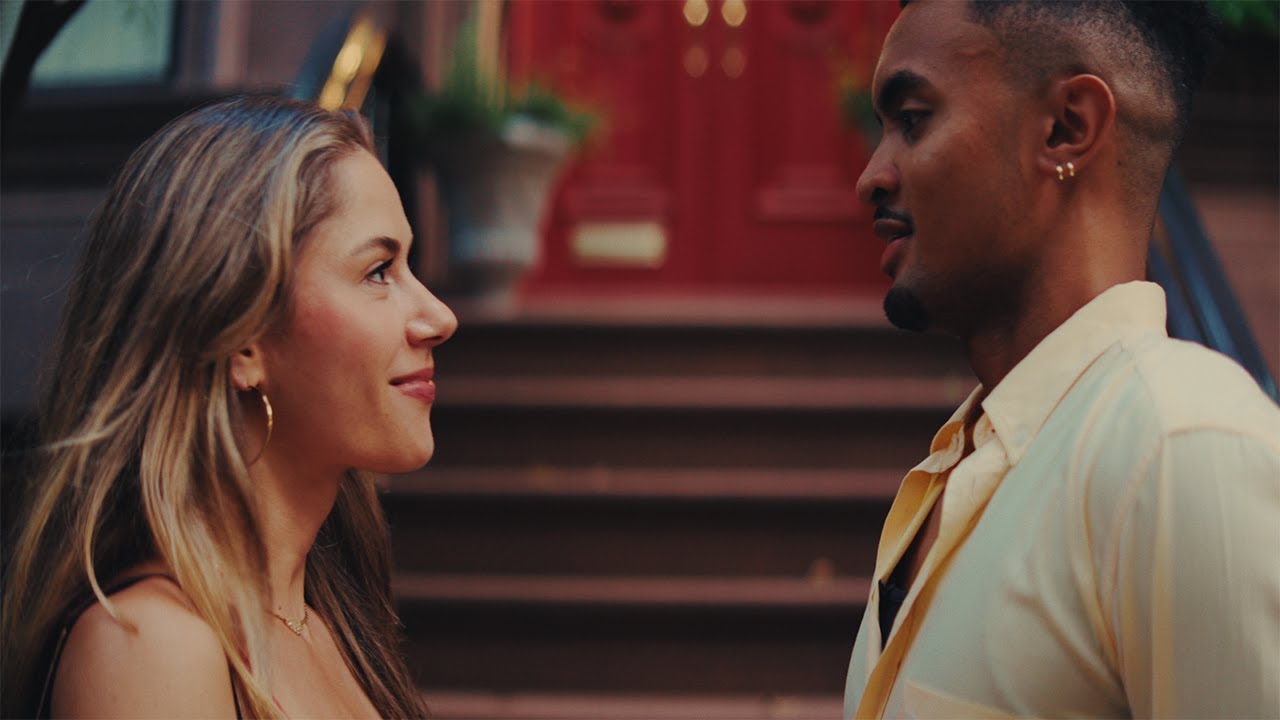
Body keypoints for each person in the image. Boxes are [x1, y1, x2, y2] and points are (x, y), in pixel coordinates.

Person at [844, 1, 1280, 718]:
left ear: (1066, 129)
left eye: (914, 120)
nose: (872, 176)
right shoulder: (959, 466)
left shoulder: (1180, 447)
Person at [1, 96, 456, 718]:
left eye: (407, 265)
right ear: (242, 339)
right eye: (379, 271)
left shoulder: (327, 623)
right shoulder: (152, 645)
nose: (439, 316)